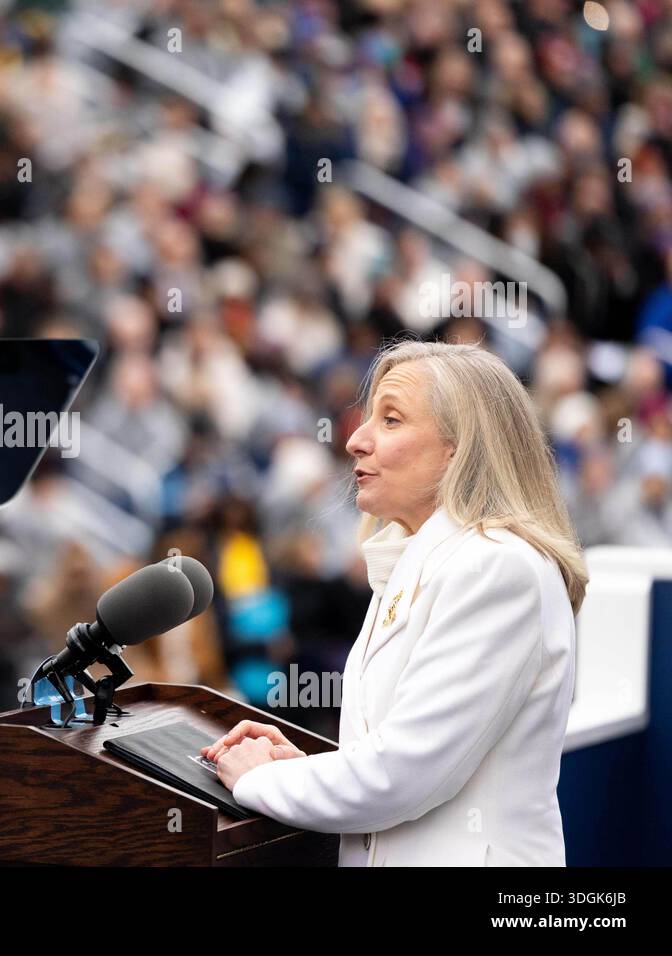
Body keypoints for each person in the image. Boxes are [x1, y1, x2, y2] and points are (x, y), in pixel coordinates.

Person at [205, 339, 587, 866]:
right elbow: (399, 762)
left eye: (390, 420)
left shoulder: (497, 567)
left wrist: (263, 779)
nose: (356, 441)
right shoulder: (419, 563)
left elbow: (404, 776)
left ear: (461, 446)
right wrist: (303, 770)